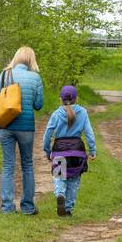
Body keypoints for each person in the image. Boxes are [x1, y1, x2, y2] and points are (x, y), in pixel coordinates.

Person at [0, 46, 45, 214]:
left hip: (6, 125)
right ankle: (27, 206)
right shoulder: (35, 78)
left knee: (8, 165)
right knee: (27, 164)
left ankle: (7, 207)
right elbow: (39, 105)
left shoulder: (5, 74)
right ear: (31, 60)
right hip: (26, 127)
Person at [42, 85, 97, 217]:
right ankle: (67, 209)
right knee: (73, 179)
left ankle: (60, 194)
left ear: (60, 99)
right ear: (76, 98)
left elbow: (47, 134)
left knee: (60, 177)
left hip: (60, 151)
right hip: (77, 151)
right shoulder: (83, 112)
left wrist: (47, 150)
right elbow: (89, 133)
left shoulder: (56, 114)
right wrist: (92, 150)